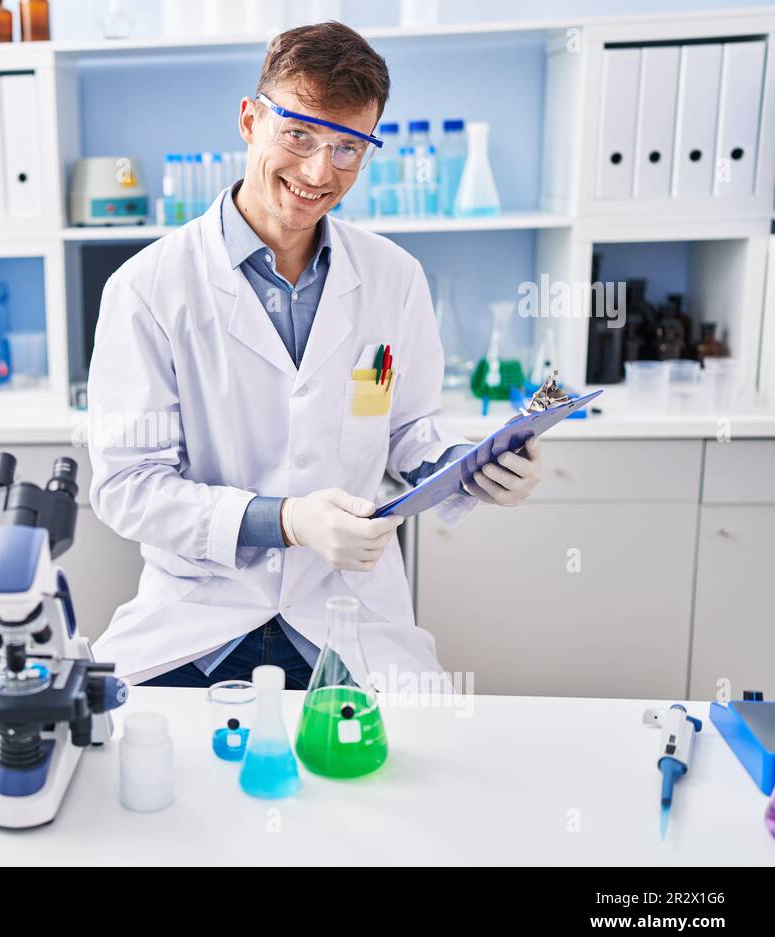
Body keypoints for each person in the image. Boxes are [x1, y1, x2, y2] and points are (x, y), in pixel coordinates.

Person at [87, 22, 541, 689]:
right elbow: (127, 487)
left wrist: (467, 466)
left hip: (347, 620)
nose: (319, 171)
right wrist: (287, 521)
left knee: (415, 781)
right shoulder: (148, 288)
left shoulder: (394, 277)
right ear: (250, 120)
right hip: (198, 624)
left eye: (348, 147)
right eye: (297, 135)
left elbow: (408, 426)